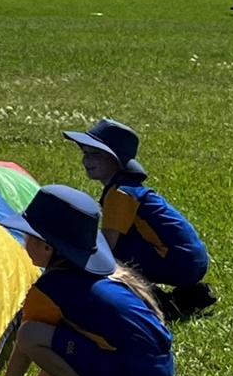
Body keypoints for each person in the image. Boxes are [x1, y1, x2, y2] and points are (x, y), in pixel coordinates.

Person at [0, 185, 173, 376]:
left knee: (29, 333)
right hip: (156, 374)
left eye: (28, 236)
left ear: (47, 248)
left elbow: (29, 344)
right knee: (46, 335)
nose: (24, 241)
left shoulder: (50, 290)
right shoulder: (104, 277)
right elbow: (63, 342)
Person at [64, 119, 216, 317]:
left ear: (117, 160)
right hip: (190, 261)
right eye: (85, 153)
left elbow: (106, 247)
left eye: (97, 154)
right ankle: (189, 296)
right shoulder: (126, 188)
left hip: (180, 263)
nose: (87, 160)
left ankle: (158, 303)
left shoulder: (120, 193)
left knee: (110, 257)